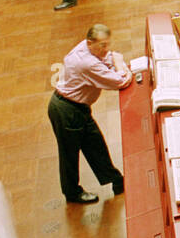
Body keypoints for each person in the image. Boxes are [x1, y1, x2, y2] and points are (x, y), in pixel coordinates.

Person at [49, 24, 132, 203]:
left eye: (107, 44)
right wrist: (120, 64)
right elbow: (120, 81)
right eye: (102, 45)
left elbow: (109, 58)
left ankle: (115, 180)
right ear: (89, 42)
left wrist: (116, 61)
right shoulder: (86, 63)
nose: (106, 49)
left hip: (77, 108)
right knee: (69, 154)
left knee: (95, 144)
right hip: (67, 110)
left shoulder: (90, 50)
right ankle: (72, 193)